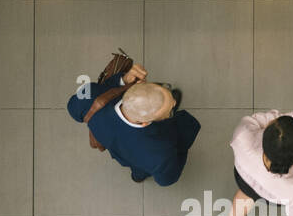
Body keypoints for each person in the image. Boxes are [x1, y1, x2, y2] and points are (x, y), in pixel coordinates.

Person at [65, 64, 200, 186]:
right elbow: (167, 179)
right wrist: (180, 151)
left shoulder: (88, 100)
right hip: (146, 156)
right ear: (145, 122)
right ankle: (138, 176)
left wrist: (123, 80)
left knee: (137, 165)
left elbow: (72, 106)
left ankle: (138, 176)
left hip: (118, 150)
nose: (174, 103)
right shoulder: (160, 154)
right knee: (142, 168)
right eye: (169, 111)